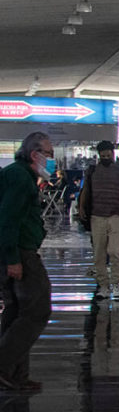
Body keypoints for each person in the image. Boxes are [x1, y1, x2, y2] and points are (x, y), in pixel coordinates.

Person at [0, 134, 53, 393]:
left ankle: (15, 375)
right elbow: (9, 219)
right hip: (20, 252)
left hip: (17, 249)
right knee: (37, 309)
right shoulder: (21, 177)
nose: (52, 161)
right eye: (49, 154)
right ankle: (4, 367)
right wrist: (13, 259)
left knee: (15, 312)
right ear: (35, 154)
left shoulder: (18, 174)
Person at [78, 140, 119, 300]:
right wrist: (81, 207)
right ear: (98, 155)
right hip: (97, 216)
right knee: (99, 253)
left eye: (108, 155)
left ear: (113, 154)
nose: (106, 158)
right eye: (103, 156)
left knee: (114, 251)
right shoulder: (92, 171)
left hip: (115, 216)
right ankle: (103, 285)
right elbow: (86, 190)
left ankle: (115, 283)